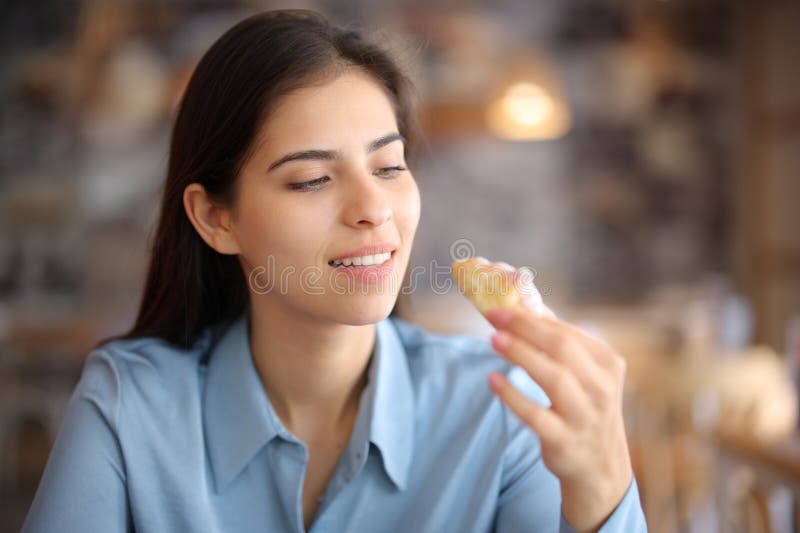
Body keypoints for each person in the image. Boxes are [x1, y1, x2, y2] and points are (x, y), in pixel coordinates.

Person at [23, 9, 646, 533]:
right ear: (215, 218)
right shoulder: (128, 408)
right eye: (312, 179)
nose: (374, 210)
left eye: (389, 166)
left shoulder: (506, 407)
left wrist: (605, 492)